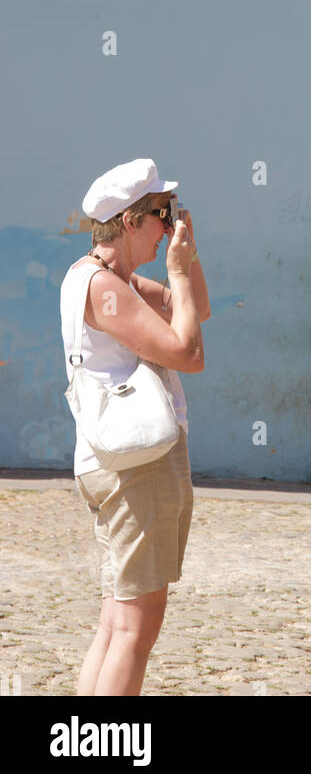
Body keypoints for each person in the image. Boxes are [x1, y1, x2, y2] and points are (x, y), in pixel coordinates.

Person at [60, 158, 210, 696]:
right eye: (160, 213)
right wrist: (175, 271)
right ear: (129, 221)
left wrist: (185, 258)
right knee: (134, 626)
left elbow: (198, 309)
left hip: (120, 465)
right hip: (134, 468)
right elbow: (188, 351)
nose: (168, 223)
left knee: (116, 623)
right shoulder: (105, 288)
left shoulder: (103, 277)